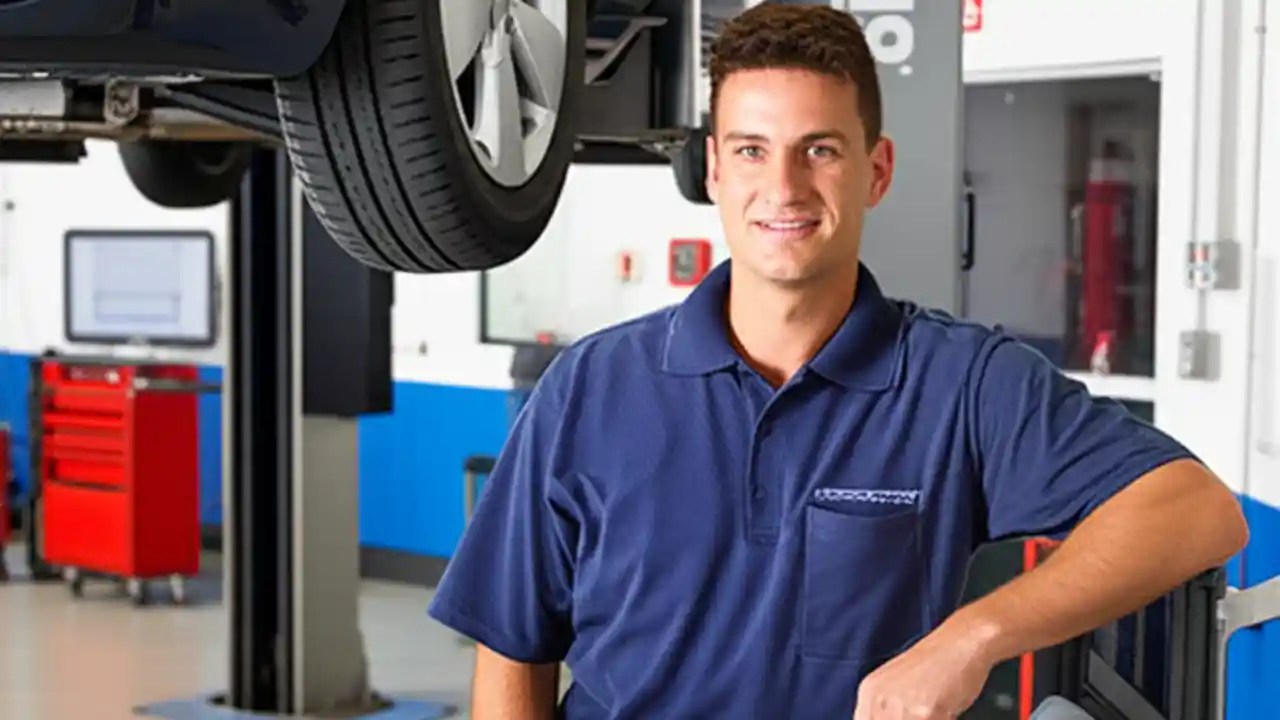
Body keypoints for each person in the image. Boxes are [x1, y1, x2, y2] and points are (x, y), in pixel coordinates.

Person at [428, 4, 1250, 719]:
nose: (782, 187)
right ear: (713, 170)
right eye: (751, 150)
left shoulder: (958, 383)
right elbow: (512, 649)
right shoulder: (590, 388)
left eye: (818, 149)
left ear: (876, 171)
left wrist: (973, 637)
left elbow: (1197, 511)